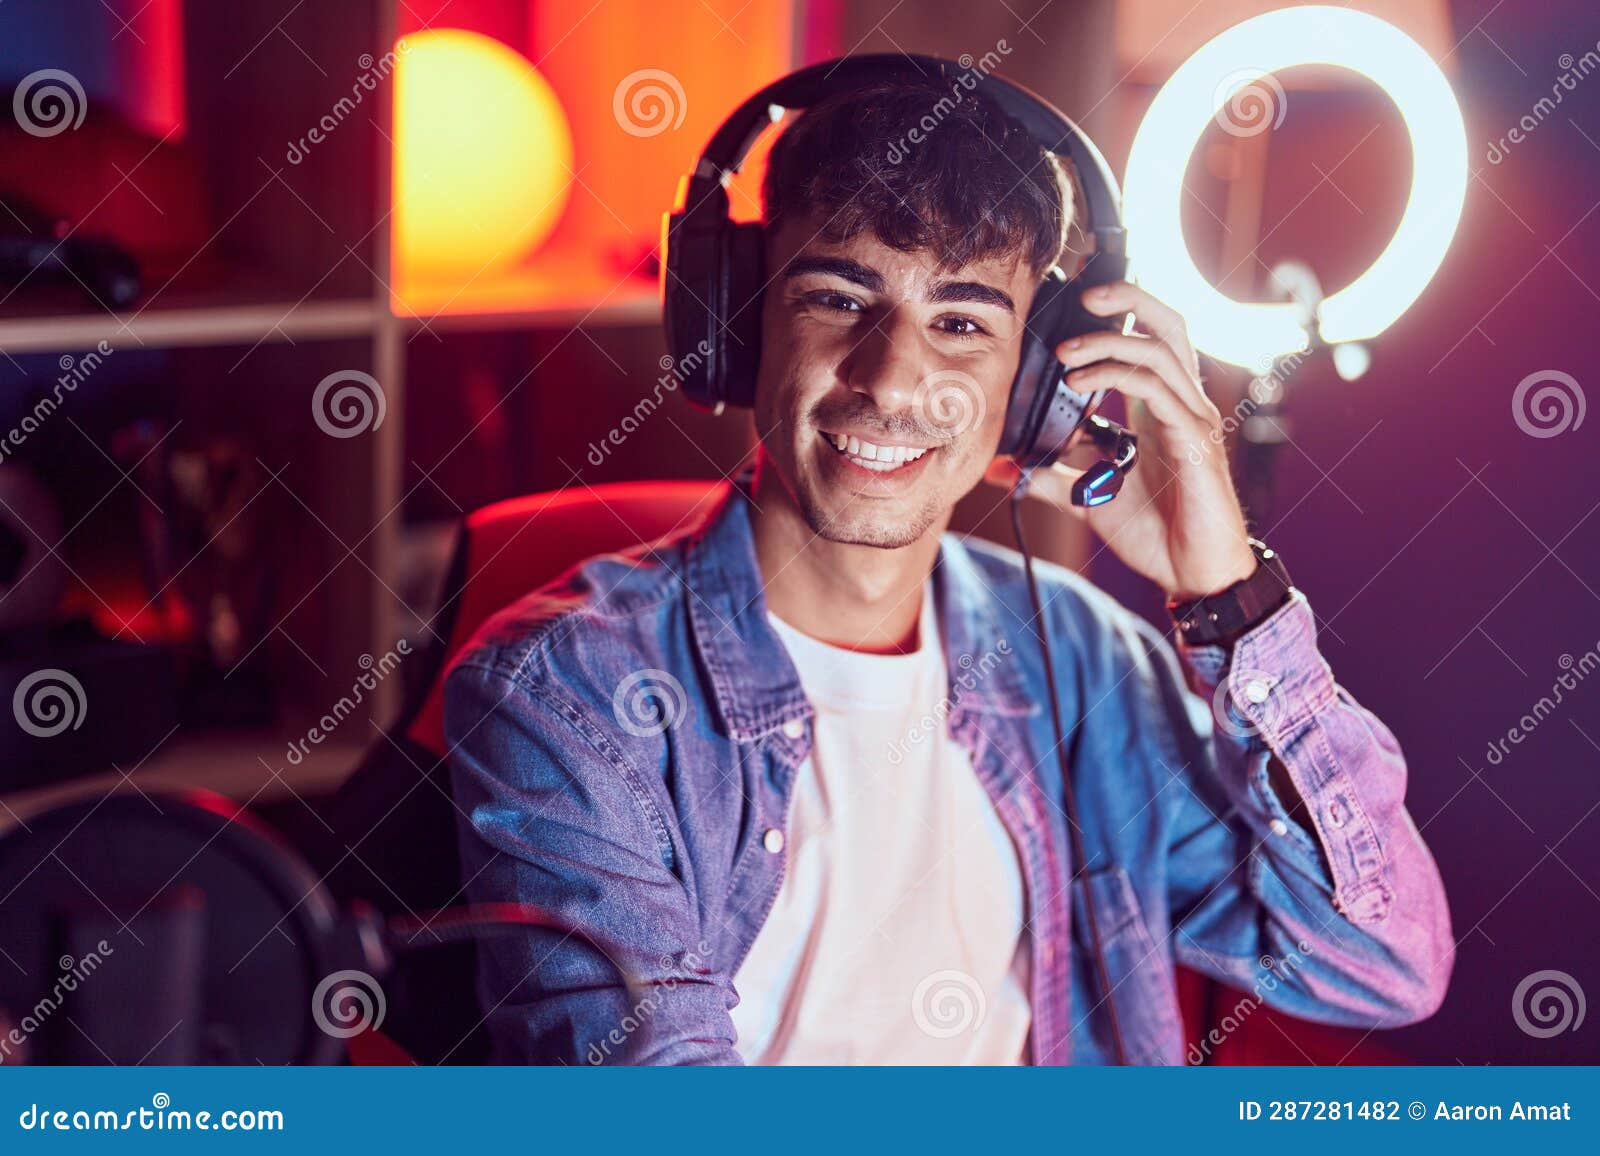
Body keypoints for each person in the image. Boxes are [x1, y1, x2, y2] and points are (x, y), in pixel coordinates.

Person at [444, 74, 1454, 1065]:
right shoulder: (565, 690)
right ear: (737, 326)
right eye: (839, 298)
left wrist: (1228, 596)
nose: (892, 380)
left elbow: (1382, 966)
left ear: (1039, 383)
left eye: (962, 322)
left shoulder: (1083, 661)